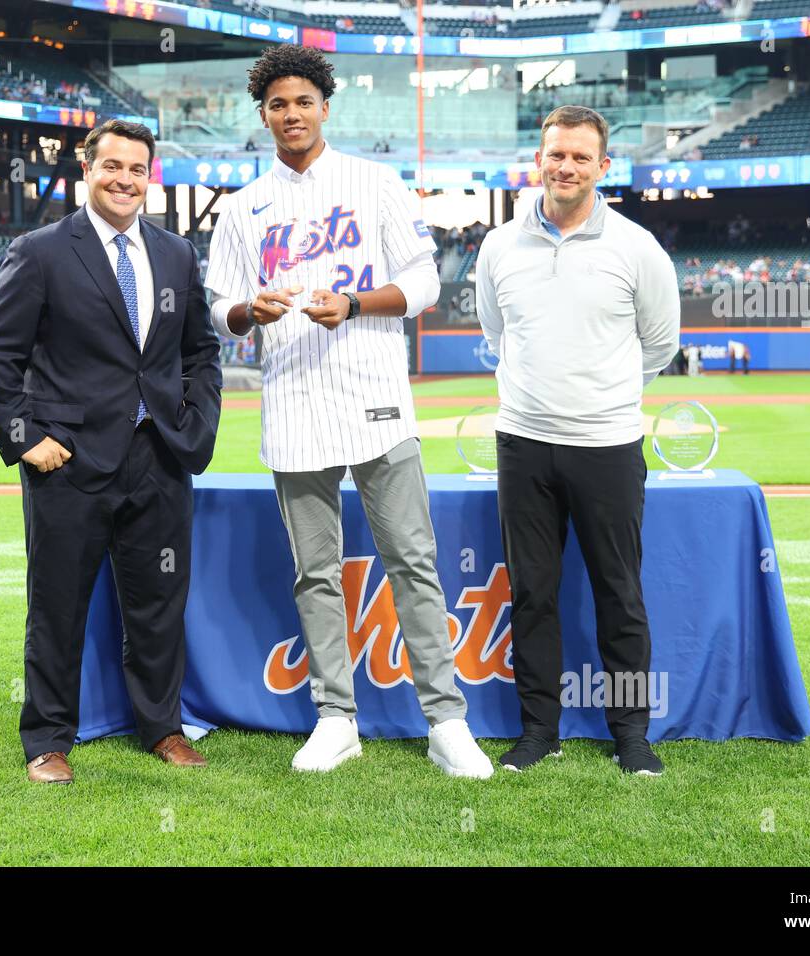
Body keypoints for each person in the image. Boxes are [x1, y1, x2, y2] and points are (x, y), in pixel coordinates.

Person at [205, 45, 493, 778]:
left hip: (376, 396)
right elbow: (218, 308)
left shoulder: (374, 182)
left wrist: (358, 303)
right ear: (263, 115)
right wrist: (249, 308)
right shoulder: (241, 208)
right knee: (315, 573)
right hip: (293, 402)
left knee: (414, 562)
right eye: (277, 104)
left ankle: (446, 722)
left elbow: (424, 281)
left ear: (325, 107)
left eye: (303, 101)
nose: (291, 114)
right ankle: (337, 718)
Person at [0, 119, 222, 784]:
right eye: (112, 166)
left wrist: (195, 426)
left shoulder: (174, 255)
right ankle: (48, 739)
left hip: (159, 458)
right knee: (57, 604)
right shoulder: (42, 250)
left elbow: (201, 352)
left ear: (150, 176)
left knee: (159, 601)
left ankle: (163, 728)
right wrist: (28, 440)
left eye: (137, 169)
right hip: (70, 463)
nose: (125, 179)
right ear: (87, 170)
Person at [475, 105, 680, 776]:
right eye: (556, 154)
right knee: (532, 594)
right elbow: (496, 336)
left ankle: (632, 737)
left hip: (609, 446)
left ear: (602, 166)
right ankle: (540, 732)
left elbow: (660, 345)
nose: (565, 166)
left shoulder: (636, 247)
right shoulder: (499, 246)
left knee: (618, 594)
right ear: (540, 157)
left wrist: (601, 399)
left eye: (580, 157)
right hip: (524, 444)